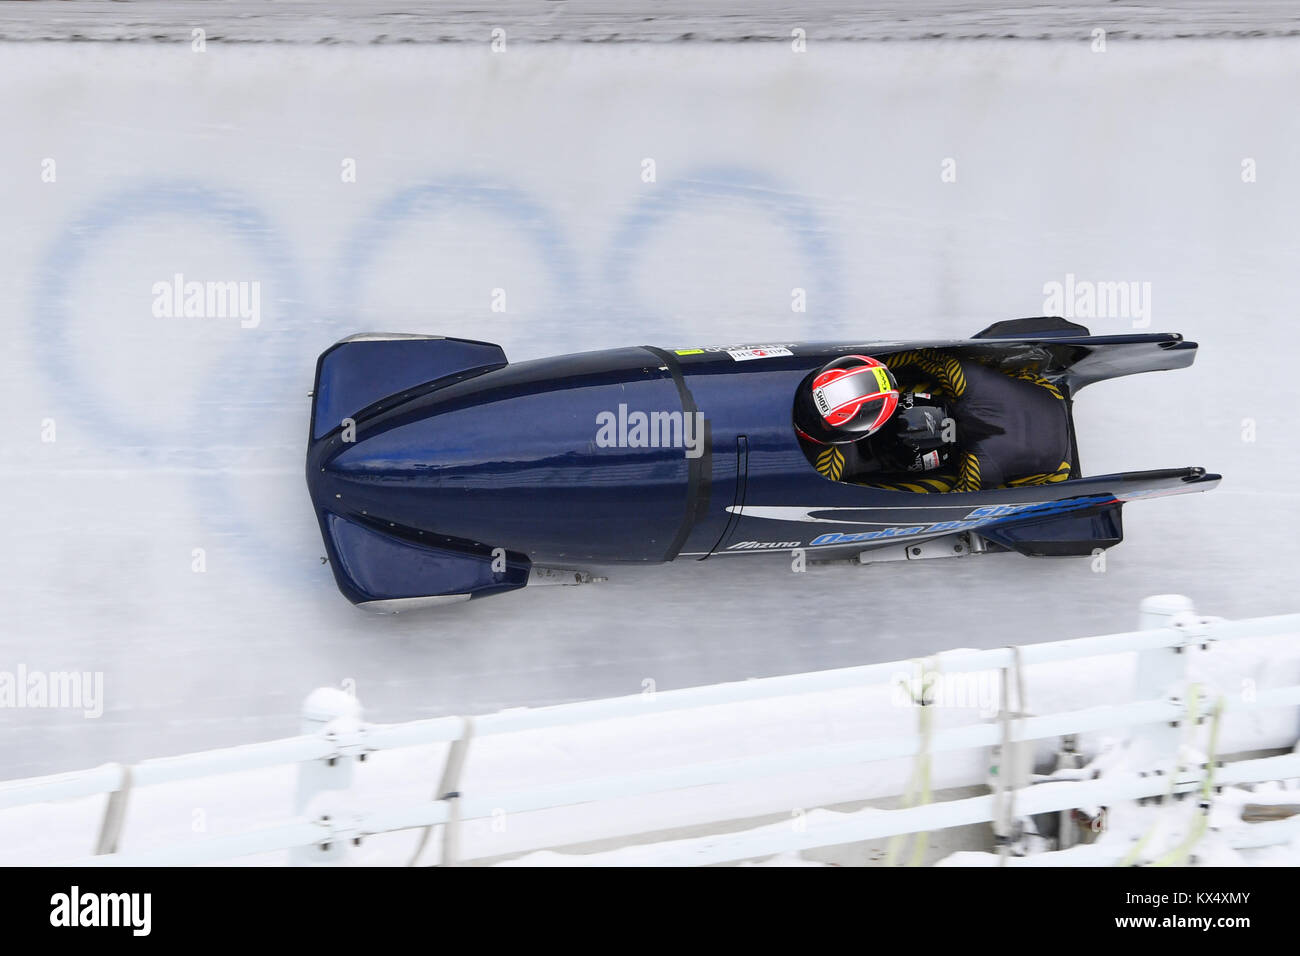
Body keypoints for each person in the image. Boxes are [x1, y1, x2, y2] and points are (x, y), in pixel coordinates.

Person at [793, 350, 1073, 492]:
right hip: (1045, 393)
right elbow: (926, 357)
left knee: (938, 486)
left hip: (1054, 469)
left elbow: (954, 504)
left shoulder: (978, 465)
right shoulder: (966, 384)